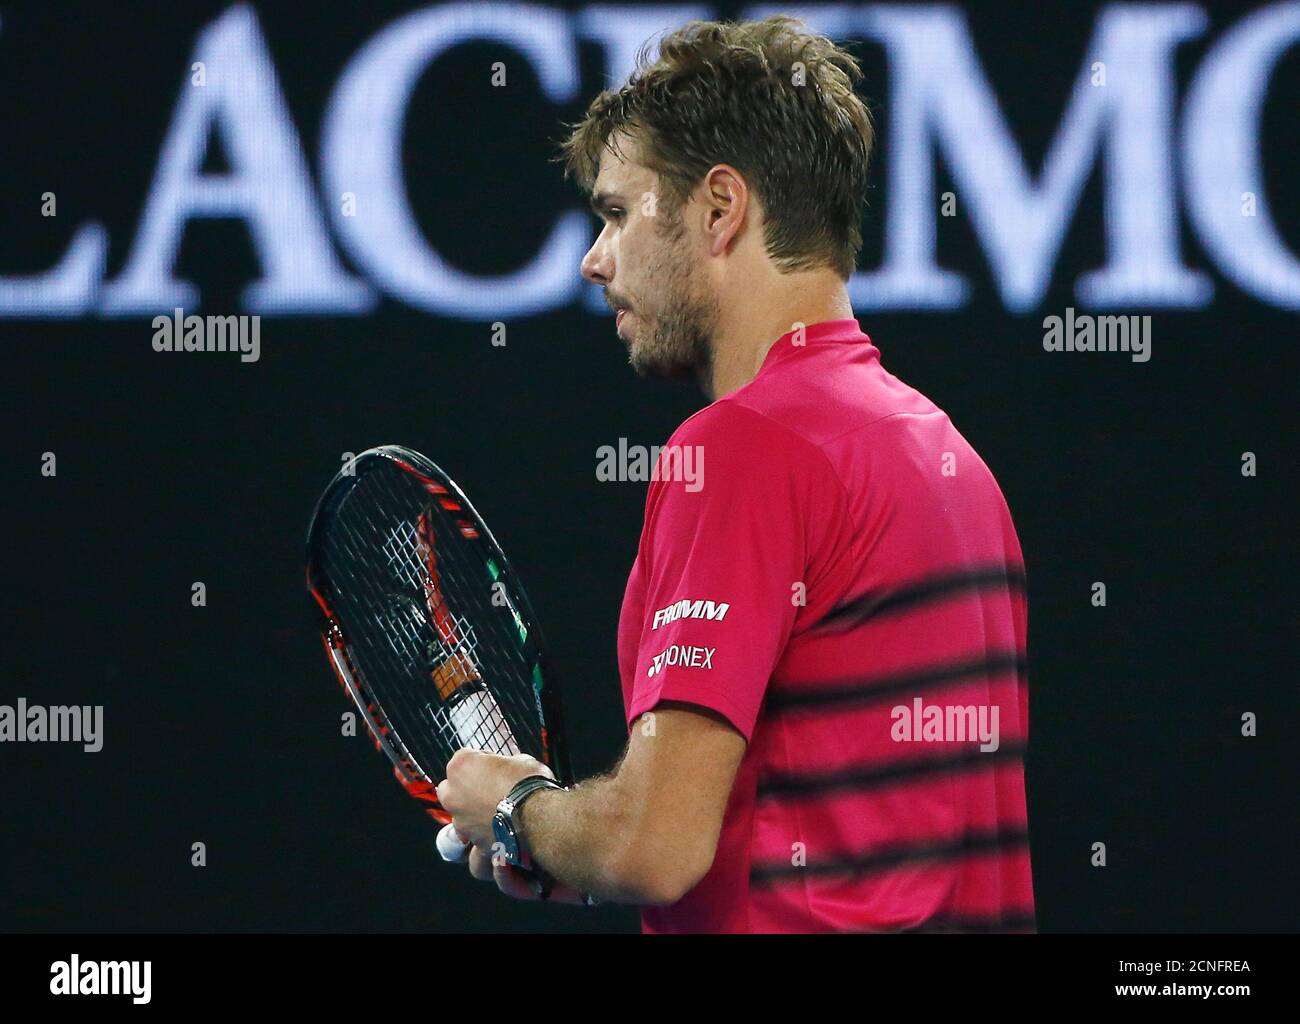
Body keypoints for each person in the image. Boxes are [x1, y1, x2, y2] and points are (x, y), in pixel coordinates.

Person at [437, 14, 1035, 933]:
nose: (595, 262)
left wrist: (516, 812)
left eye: (615, 211)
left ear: (721, 207)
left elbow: (655, 846)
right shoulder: (952, 459)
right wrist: (561, 853)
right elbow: (838, 831)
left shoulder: (741, 450)